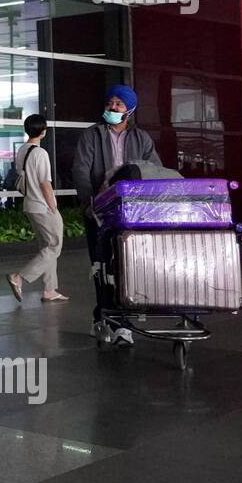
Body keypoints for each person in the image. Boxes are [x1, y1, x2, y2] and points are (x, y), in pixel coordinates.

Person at [72, 84, 161, 344]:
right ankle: (103, 317)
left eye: (118, 104)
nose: (112, 107)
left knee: (127, 266)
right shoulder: (92, 135)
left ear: (129, 110)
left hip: (132, 212)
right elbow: (81, 170)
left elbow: (153, 169)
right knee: (100, 265)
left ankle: (121, 322)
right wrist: (89, 204)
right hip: (99, 211)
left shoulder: (141, 138)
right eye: (110, 103)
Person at [7, 115, 67, 304]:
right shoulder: (41, 153)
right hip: (42, 206)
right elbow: (45, 184)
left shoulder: (22, 151)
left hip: (29, 205)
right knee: (54, 246)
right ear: (43, 131)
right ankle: (20, 277)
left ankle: (50, 290)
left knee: (46, 247)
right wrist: (53, 206)